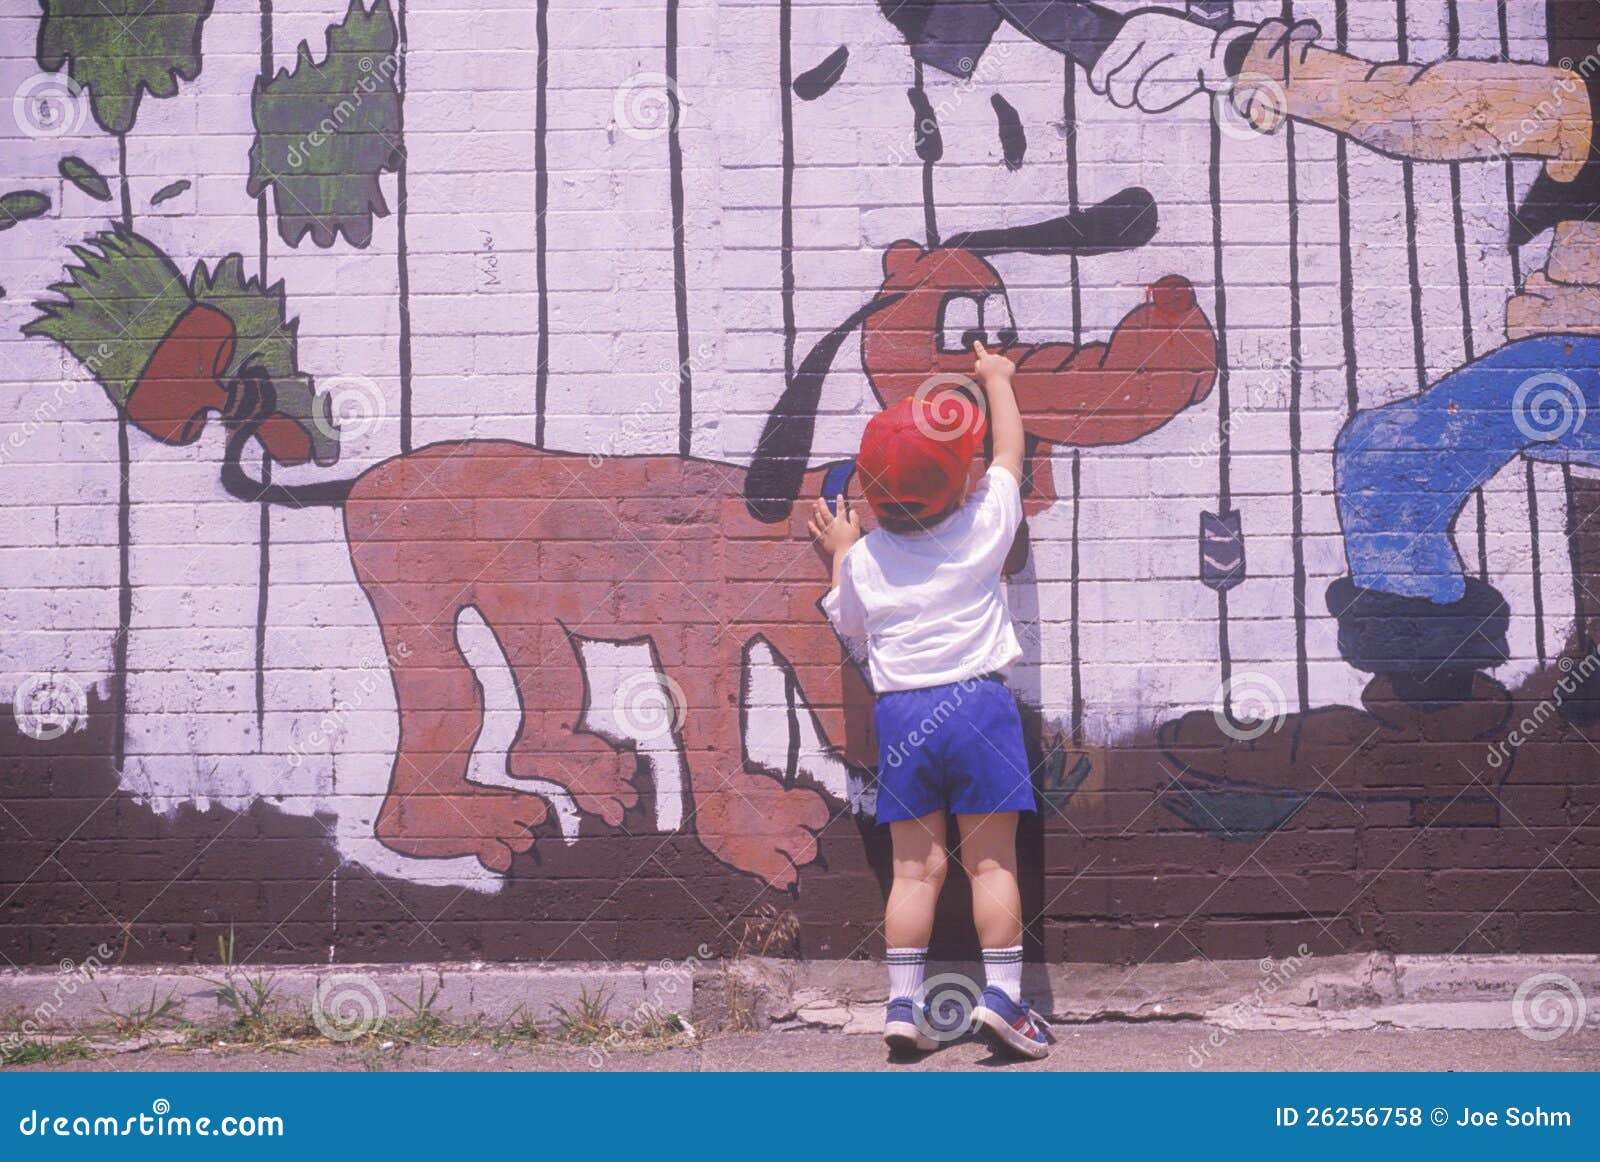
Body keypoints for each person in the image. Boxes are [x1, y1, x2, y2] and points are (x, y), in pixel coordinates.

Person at [808, 341, 1048, 1060]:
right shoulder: (983, 524)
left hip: (904, 717)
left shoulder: (869, 562)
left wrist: (845, 551)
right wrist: (997, 378)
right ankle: (1003, 1000)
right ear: (961, 477)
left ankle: (904, 1007)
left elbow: (851, 624)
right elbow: (1009, 452)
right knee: (992, 864)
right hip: (978, 708)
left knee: (914, 870)